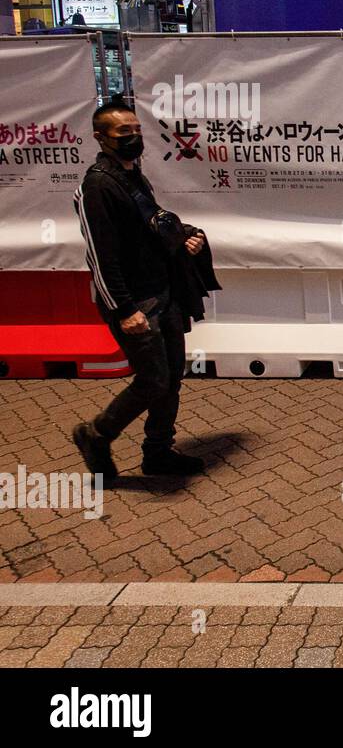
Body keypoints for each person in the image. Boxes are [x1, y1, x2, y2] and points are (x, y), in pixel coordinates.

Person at [70, 100, 209, 483]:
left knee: (171, 377)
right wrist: (124, 309)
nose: (133, 138)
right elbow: (100, 255)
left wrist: (182, 237)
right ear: (101, 137)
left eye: (136, 131)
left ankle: (158, 454)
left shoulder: (133, 175)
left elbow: (149, 226)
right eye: (122, 133)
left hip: (163, 291)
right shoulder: (97, 185)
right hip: (134, 301)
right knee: (154, 380)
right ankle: (96, 434)